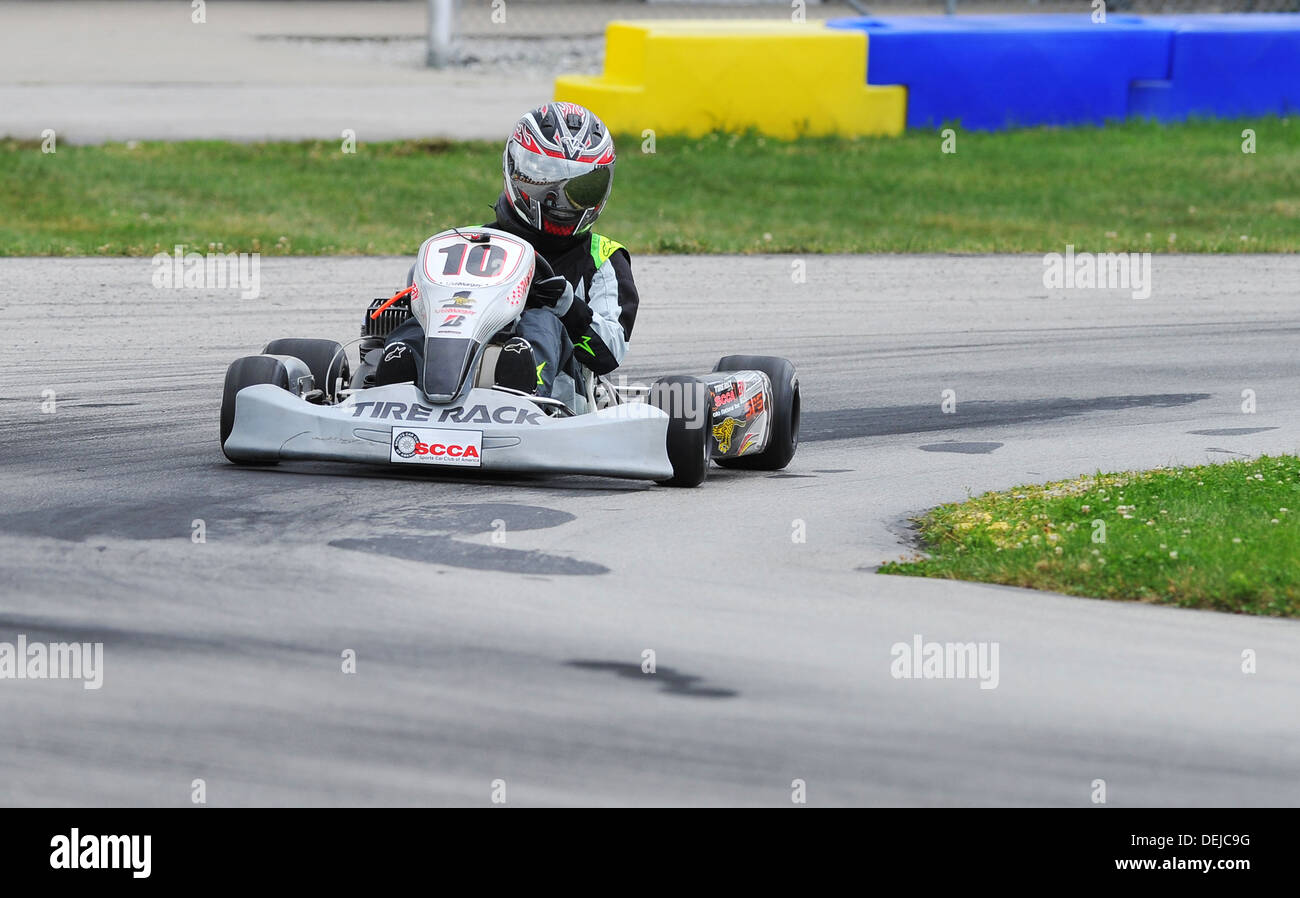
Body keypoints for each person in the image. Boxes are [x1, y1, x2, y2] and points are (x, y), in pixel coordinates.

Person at [375, 103, 640, 407]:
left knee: (541, 322)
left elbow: (610, 353)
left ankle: (523, 388)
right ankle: (396, 381)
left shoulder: (604, 258)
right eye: (546, 181)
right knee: (431, 319)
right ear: (515, 170)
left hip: (557, 403)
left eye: (581, 188)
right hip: (455, 368)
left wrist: (568, 310)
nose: (562, 203)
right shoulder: (469, 241)